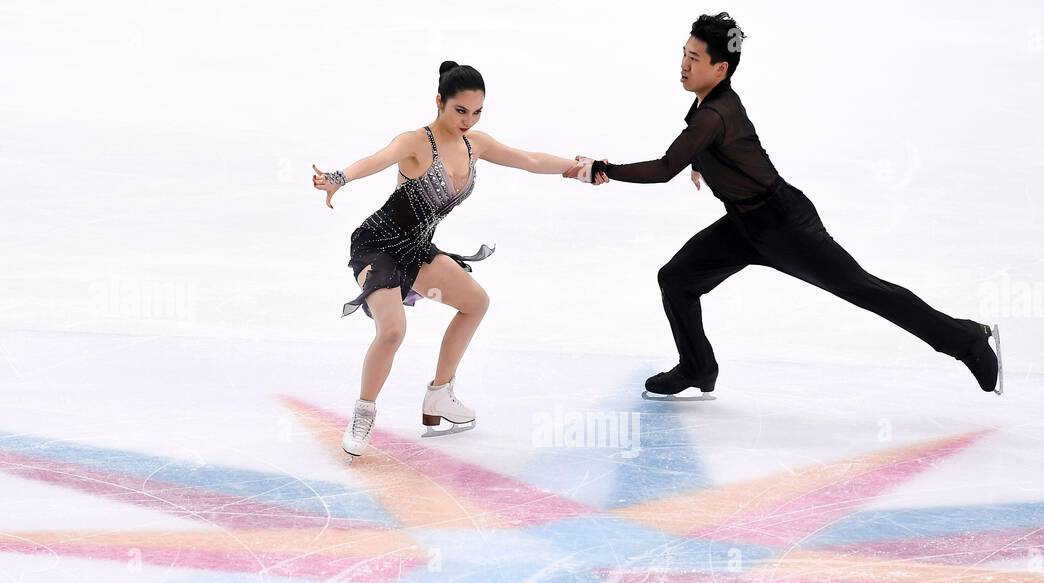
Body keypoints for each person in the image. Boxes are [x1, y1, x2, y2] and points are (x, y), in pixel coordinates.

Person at [564, 12, 1003, 400]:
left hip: (784, 226)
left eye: (694, 59)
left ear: (720, 68)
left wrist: (604, 168)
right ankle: (698, 367)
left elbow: (664, 169)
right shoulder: (708, 106)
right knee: (676, 279)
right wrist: (704, 163)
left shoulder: (715, 115)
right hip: (744, 225)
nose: (683, 64)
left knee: (862, 289)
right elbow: (704, 151)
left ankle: (966, 339)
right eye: (684, 53)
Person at [312, 61, 597, 452]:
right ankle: (364, 413)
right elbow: (376, 160)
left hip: (416, 250)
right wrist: (337, 179)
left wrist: (578, 167)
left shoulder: (473, 144)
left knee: (475, 302)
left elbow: (527, 159)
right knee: (393, 331)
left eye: (477, 112)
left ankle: (439, 394)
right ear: (439, 102)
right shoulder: (416, 142)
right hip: (377, 246)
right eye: (460, 110)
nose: (468, 120)